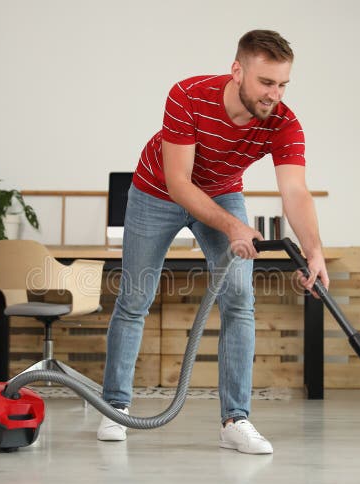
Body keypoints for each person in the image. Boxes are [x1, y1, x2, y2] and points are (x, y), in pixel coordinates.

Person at [97, 29, 329, 454]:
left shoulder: (282, 121)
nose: (273, 95)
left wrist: (314, 250)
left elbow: (295, 191)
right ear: (237, 70)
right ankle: (115, 409)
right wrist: (232, 227)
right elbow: (180, 184)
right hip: (156, 191)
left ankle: (235, 420)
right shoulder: (188, 95)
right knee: (135, 298)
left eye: (282, 84)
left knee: (240, 299)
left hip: (222, 191)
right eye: (265, 82)